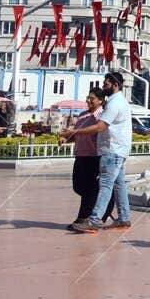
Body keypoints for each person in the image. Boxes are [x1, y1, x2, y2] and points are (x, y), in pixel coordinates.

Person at [64, 72, 133, 234]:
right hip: (118, 149)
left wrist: (74, 131)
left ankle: (93, 221)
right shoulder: (118, 101)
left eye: (106, 84)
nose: (104, 87)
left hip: (112, 149)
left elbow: (100, 127)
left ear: (115, 85)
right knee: (119, 184)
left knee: (106, 185)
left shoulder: (114, 104)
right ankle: (124, 218)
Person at [68, 91, 104, 226]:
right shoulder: (83, 115)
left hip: (93, 156)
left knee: (89, 189)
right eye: (87, 98)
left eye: (92, 99)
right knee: (78, 186)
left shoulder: (101, 116)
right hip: (80, 155)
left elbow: (99, 130)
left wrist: (74, 132)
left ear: (100, 100)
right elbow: (76, 134)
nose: (89, 101)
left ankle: (83, 217)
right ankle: (87, 215)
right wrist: (66, 138)